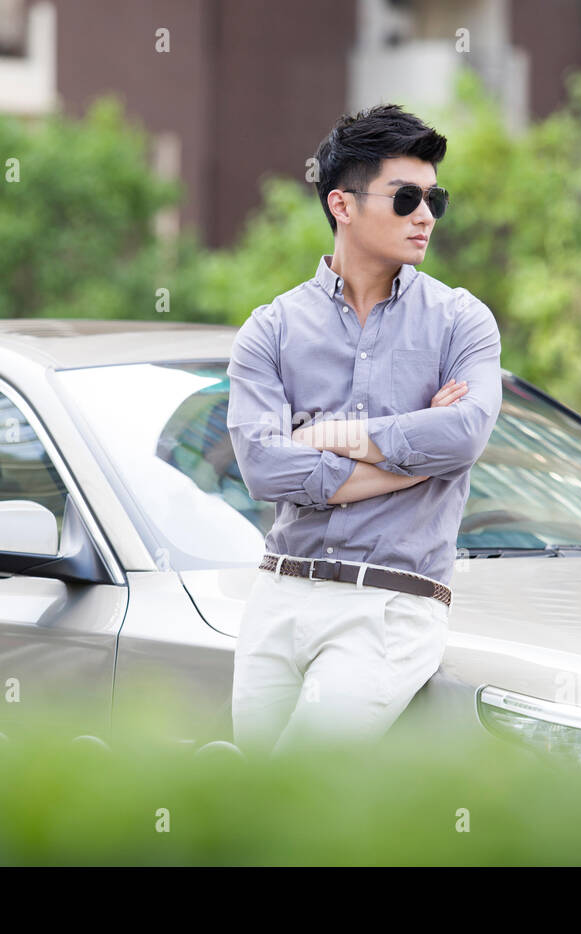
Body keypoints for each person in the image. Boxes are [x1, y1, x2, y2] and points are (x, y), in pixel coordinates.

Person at [226, 103, 502, 757]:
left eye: (435, 198)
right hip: (278, 594)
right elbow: (263, 468)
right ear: (343, 205)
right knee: (253, 812)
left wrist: (321, 436)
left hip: (390, 606)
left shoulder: (462, 323)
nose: (426, 214)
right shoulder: (270, 329)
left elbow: (463, 434)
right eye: (406, 197)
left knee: (294, 782)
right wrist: (411, 455)